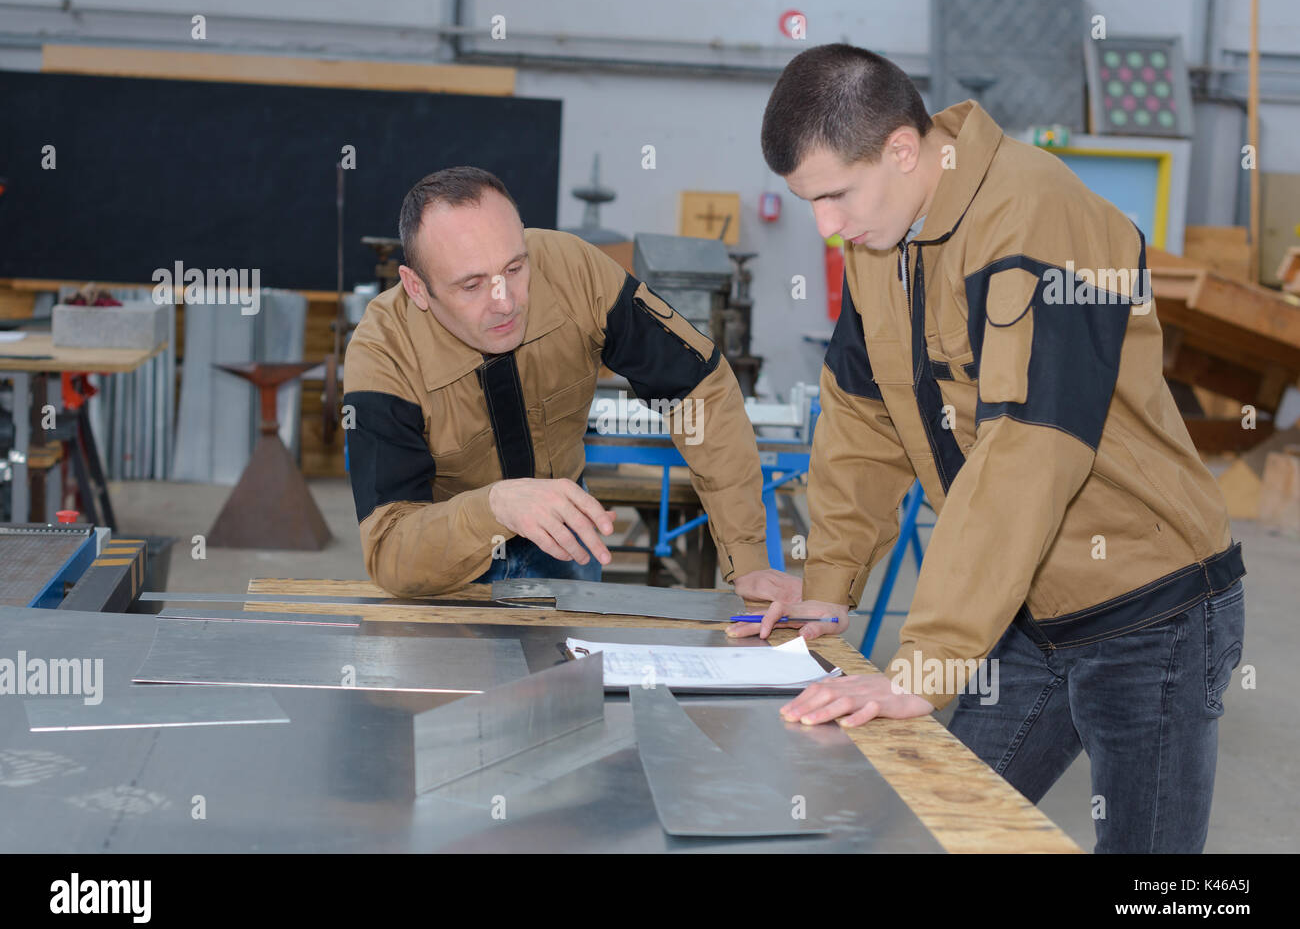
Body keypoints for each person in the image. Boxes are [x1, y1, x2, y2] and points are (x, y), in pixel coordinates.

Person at [736, 44, 1245, 853]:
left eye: (835, 195)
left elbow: (1029, 449)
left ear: (903, 149)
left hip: (1154, 609)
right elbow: (864, 419)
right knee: (938, 823)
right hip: (1019, 607)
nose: (827, 226)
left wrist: (927, 662)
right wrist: (830, 584)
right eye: (809, 202)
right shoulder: (883, 242)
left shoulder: (1039, 214)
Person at [343, 166, 799, 604]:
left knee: (569, 677)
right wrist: (496, 507)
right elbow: (391, 550)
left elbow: (702, 391)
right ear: (417, 288)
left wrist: (749, 558)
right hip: (443, 562)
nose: (504, 303)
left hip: (565, 543)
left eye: (515, 268)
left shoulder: (574, 272)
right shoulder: (384, 351)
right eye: (472, 285)